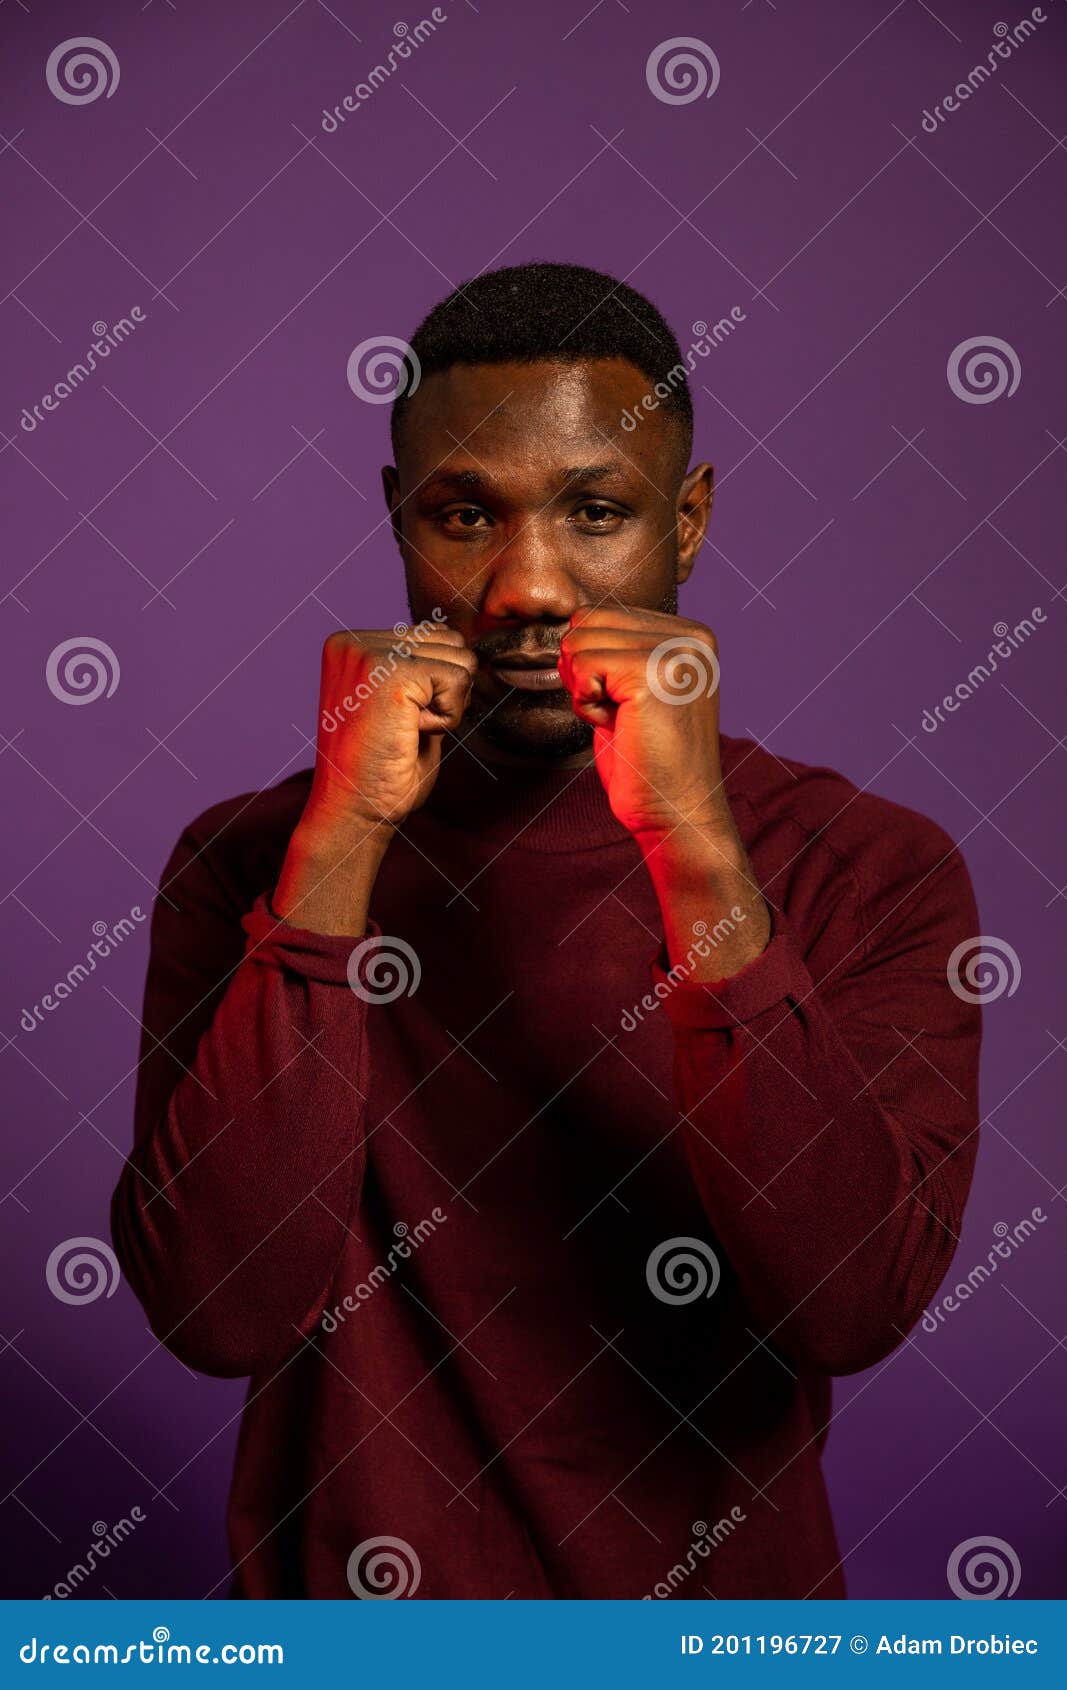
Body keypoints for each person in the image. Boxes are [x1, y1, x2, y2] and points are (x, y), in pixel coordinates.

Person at [111, 261, 981, 1600]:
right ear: (397, 516)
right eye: (466, 513)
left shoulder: (866, 868)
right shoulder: (247, 860)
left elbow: (847, 1300)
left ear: (685, 522)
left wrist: (695, 848)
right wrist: (339, 850)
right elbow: (216, 1310)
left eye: (594, 510)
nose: (526, 585)